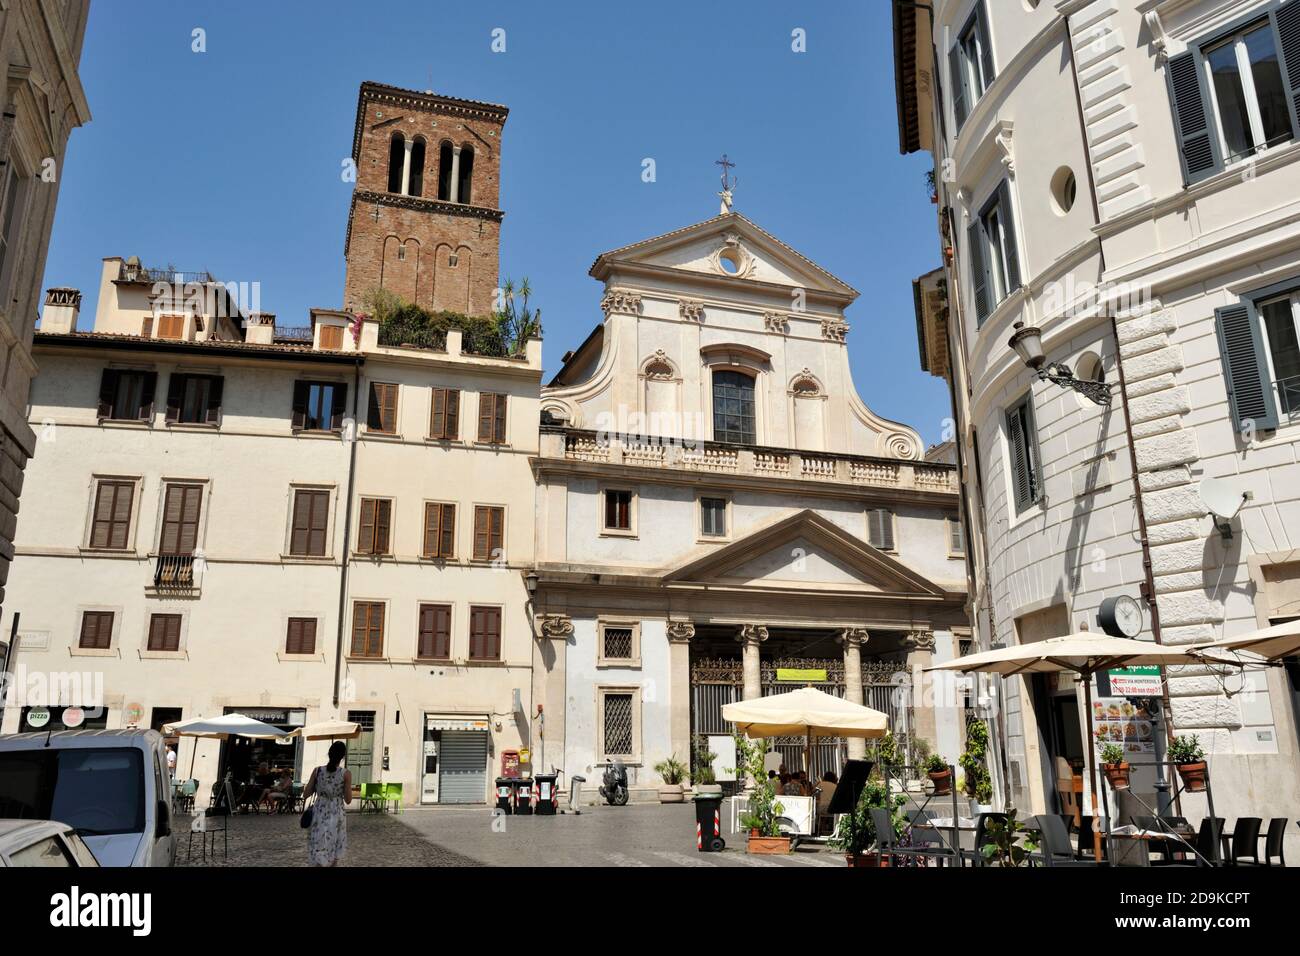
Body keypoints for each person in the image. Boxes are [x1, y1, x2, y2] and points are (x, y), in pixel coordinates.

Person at [304, 741, 352, 866]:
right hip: (336, 812)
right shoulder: (345, 774)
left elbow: (306, 793)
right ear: (342, 757)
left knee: (318, 843)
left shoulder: (317, 771)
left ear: (329, 754)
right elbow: (348, 799)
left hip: (319, 811)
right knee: (334, 845)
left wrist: (319, 786)